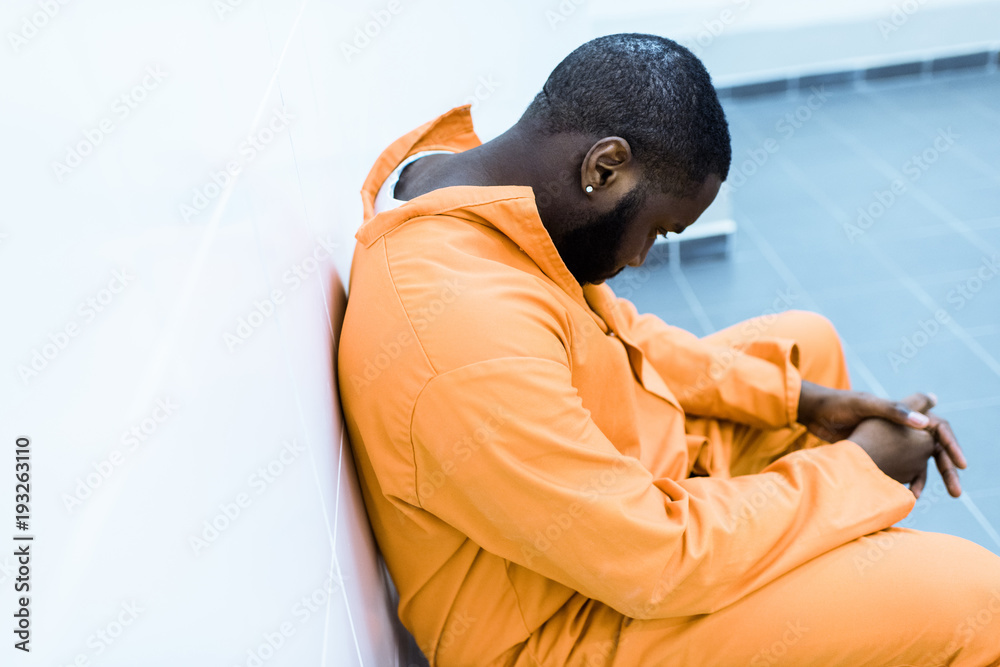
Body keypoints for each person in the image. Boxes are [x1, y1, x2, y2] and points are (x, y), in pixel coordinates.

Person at [339, 33, 1000, 666]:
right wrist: (858, 469)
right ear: (604, 166)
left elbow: (624, 335)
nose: (643, 257)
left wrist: (802, 399)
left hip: (614, 506)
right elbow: (657, 556)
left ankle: (840, 597)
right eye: (657, 229)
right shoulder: (463, 336)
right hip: (567, 627)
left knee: (804, 345)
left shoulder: (464, 192)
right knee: (979, 598)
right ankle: (881, 599)